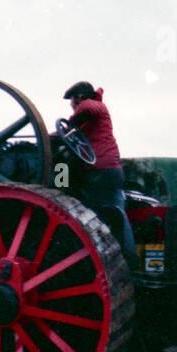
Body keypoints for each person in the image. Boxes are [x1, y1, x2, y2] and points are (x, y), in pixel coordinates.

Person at [63, 81, 136, 265]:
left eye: (72, 102)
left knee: (78, 205)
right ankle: (128, 258)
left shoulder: (94, 106)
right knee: (118, 213)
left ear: (79, 98)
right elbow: (71, 134)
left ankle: (92, 255)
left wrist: (71, 122)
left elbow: (88, 108)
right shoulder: (91, 121)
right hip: (111, 170)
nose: (72, 106)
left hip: (99, 171)